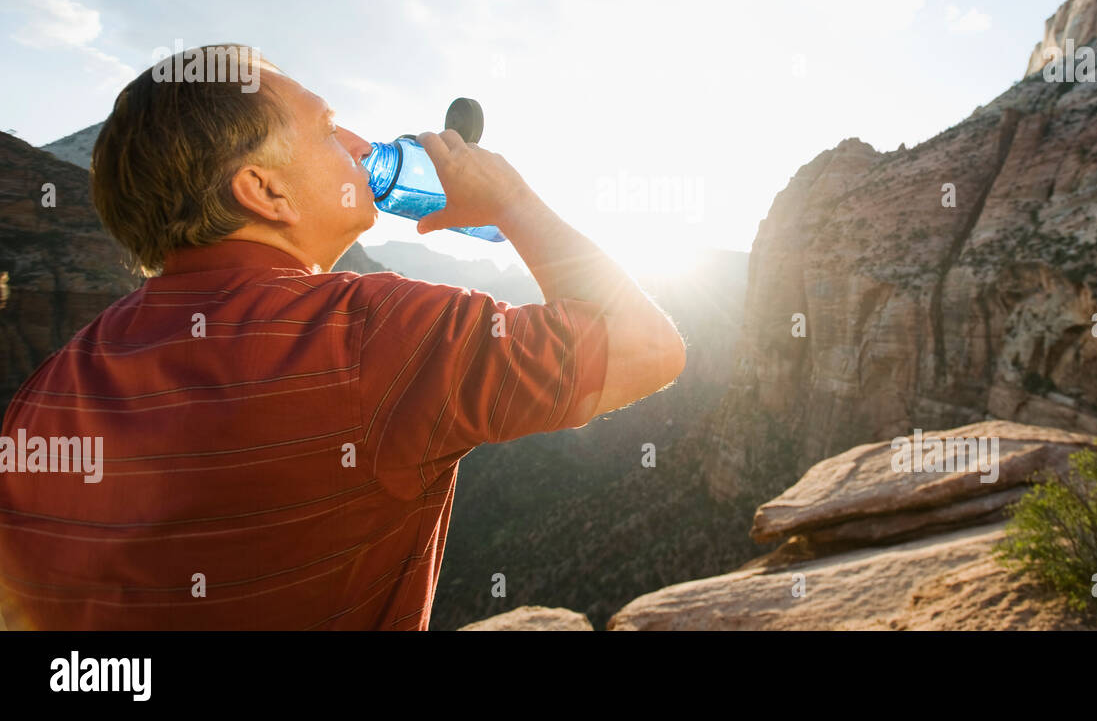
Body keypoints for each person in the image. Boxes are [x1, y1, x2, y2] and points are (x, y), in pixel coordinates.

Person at [0, 44, 685, 630]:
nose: (359, 143)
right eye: (328, 128)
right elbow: (646, 346)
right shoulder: (372, 334)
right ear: (266, 192)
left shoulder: (48, 387)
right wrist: (511, 198)